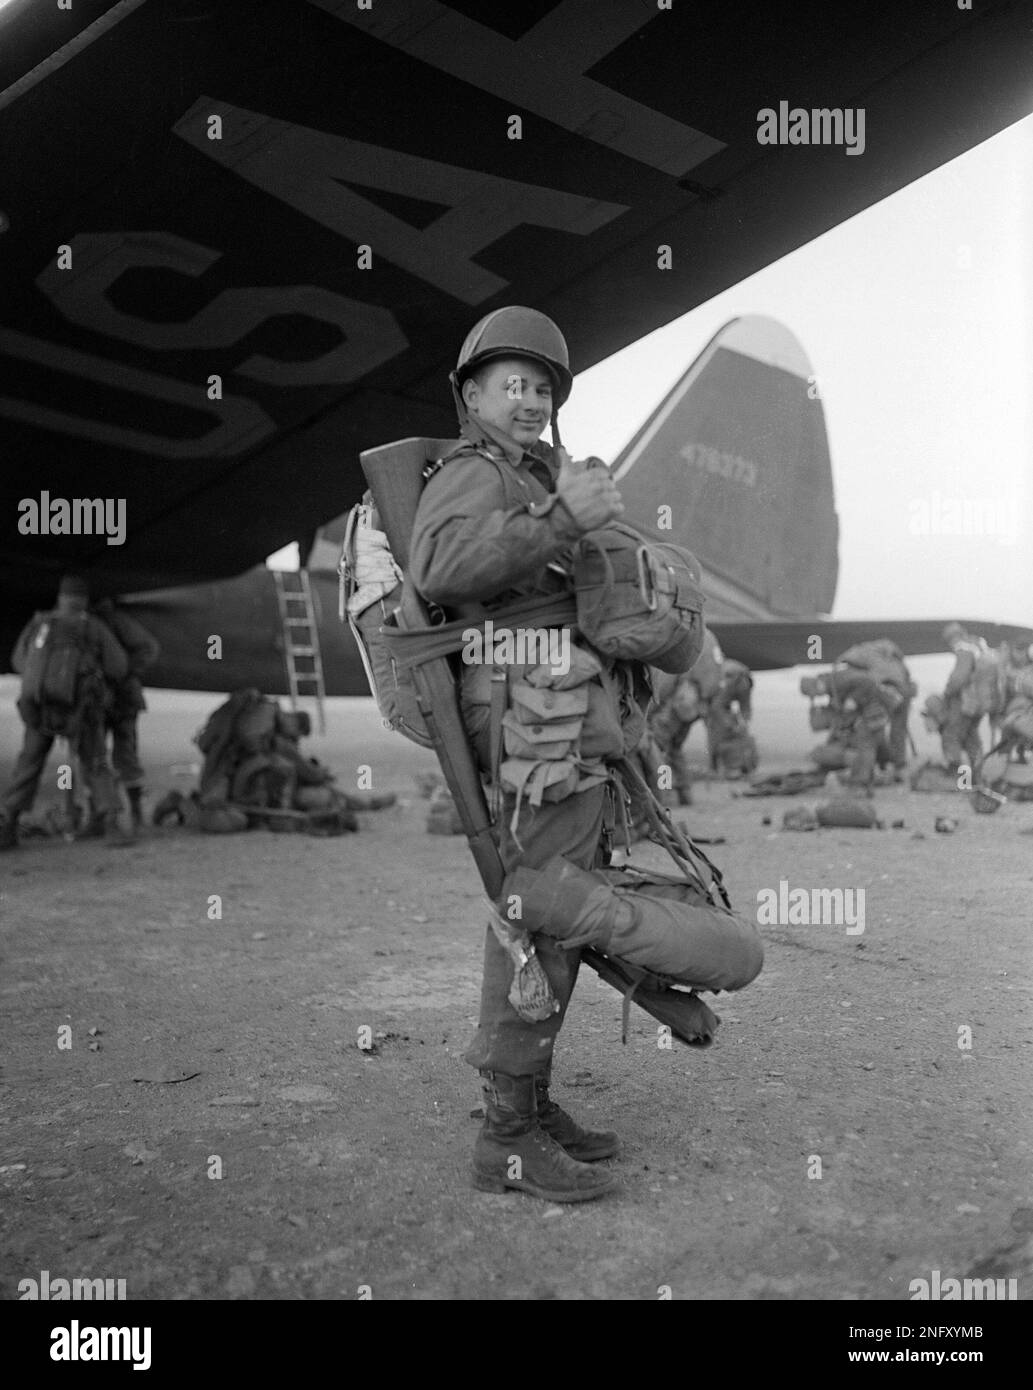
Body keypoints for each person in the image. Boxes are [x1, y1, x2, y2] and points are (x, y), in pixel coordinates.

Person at [408, 306, 762, 1203]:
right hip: (532, 739)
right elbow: (442, 568)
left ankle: (528, 1109)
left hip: (569, 737)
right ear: (470, 395)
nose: (527, 400)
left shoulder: (536, 475)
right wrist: (561, 518)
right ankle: (507, 1138)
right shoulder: (472, 473)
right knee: (536, 921)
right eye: (510, 384)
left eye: (540, 388)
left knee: (558, 925)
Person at [0, 575, 133, 849]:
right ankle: (110, 823)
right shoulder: (92, 627)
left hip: (40, 710)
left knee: (29, 763)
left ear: (60, 597)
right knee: (95, 762)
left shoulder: (40, 624)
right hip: (81, 711)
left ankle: (8, 823)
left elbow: (18, 661)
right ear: (83, 599)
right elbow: (118, 666)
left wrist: (46, 683)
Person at [91, 599, 161, 832]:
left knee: (114, 758)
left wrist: (123, 672)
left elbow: (148, 648)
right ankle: (109, 817)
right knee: (103, 757)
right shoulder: (107, 622)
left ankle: (127, 816)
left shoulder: (112, 622)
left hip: (120, 699)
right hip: (105, 698)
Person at [801, 668, 893, 793]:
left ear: (818, 685)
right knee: (872, 745)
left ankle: (860, 785)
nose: (819, 696)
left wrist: (854, 698)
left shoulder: (839, 680)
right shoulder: (832, 684)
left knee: (865, 747)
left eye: (817, 693)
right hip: (870, 714)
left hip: (872, 712)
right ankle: (881, 770)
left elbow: (868, 682)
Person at [940, 622, 1001, 773]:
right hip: (982, 704)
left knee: (951, 734)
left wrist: (947, 693)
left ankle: (955, 772)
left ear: (952, 637)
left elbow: (959, 678)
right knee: (971, 736)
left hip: (967, 703)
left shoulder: (964, 648)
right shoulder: (981, 646)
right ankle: (979, 771)